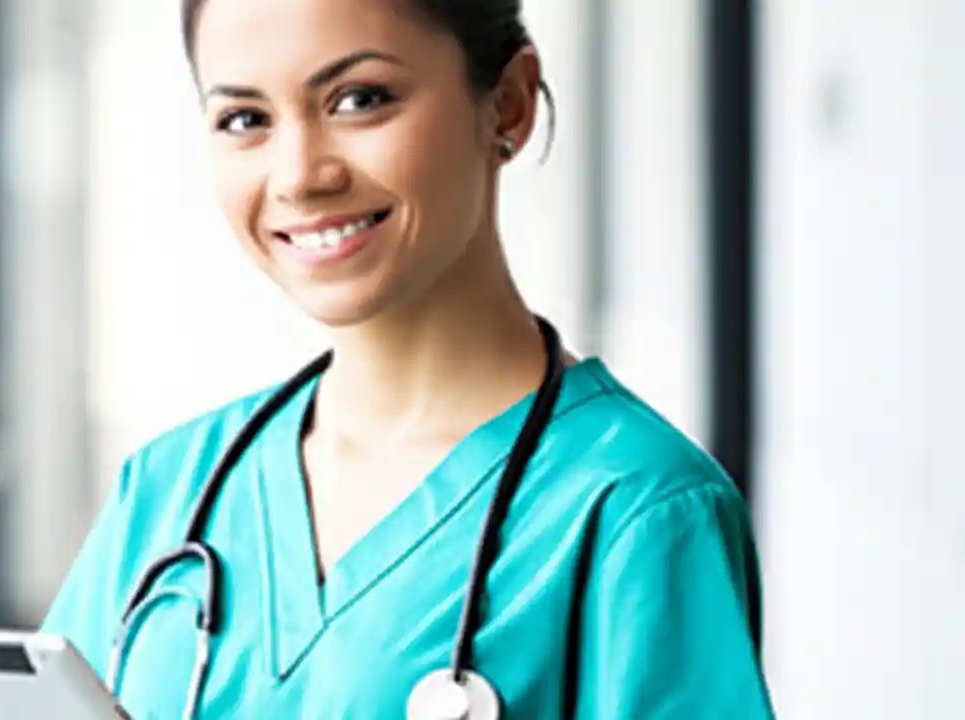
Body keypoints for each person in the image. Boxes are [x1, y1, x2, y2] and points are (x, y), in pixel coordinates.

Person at [42, 0, 775, 717]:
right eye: (246, 119)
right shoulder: (171, 490)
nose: (299, 174)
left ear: (509, 106)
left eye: (359, 100)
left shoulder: (632, 509)